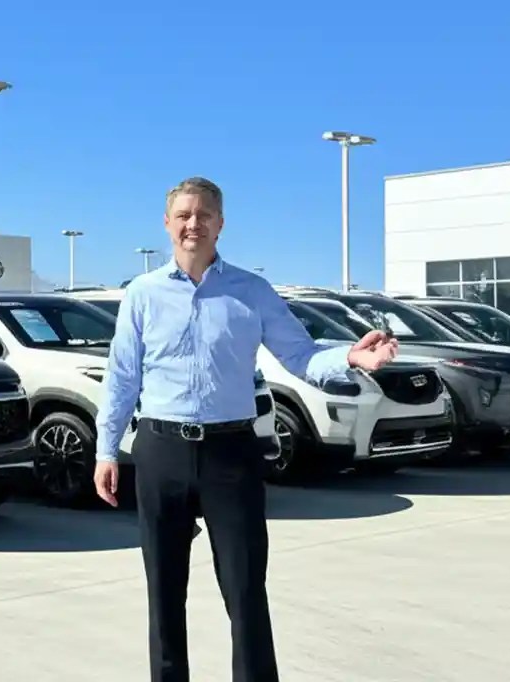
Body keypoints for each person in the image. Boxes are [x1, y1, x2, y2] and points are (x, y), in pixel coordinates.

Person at [93, 177, 398, 682]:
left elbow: (298, 355)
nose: (195, 224)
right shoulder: (142, 295)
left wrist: (349, 356)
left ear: (221, 223)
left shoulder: (250, 291)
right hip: (160, 451)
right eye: (185, 215)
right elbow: (123, 377)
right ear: (167, 224)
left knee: (245, 590)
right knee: (164, 592)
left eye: (206, 214)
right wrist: (107, 450)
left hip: (230, 454)